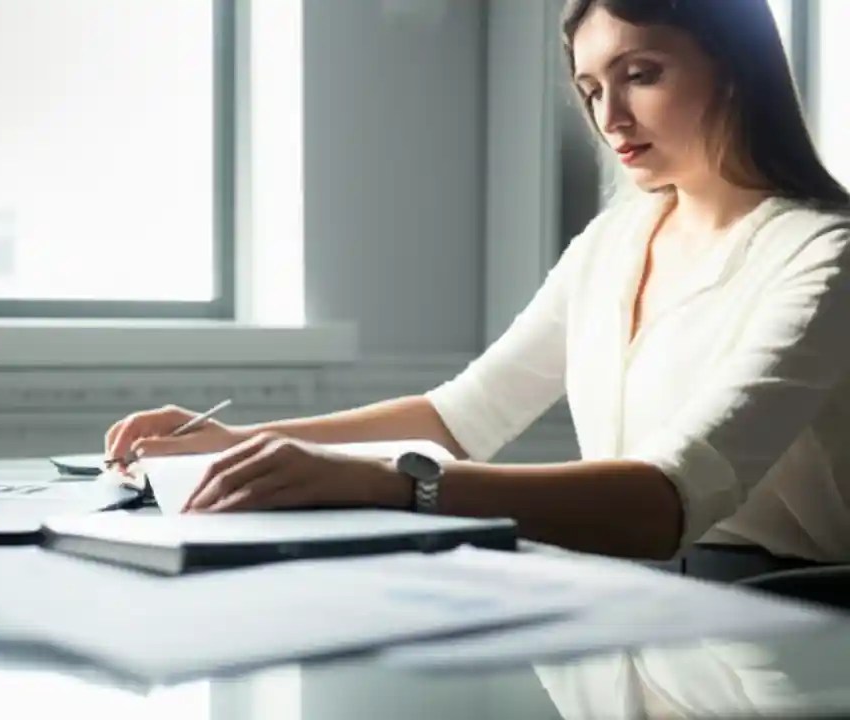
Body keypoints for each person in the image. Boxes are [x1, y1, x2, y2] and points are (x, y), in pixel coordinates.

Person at [104, 0, 850, 578]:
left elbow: (664, 499)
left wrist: (388, 483)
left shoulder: (824, 255)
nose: (610, 118)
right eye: (591, 89)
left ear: (734, 67)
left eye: (642, 74)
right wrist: (242, 446)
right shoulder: (615, 240)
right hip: (631, 602)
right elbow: (459, 416)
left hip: (792, 626)